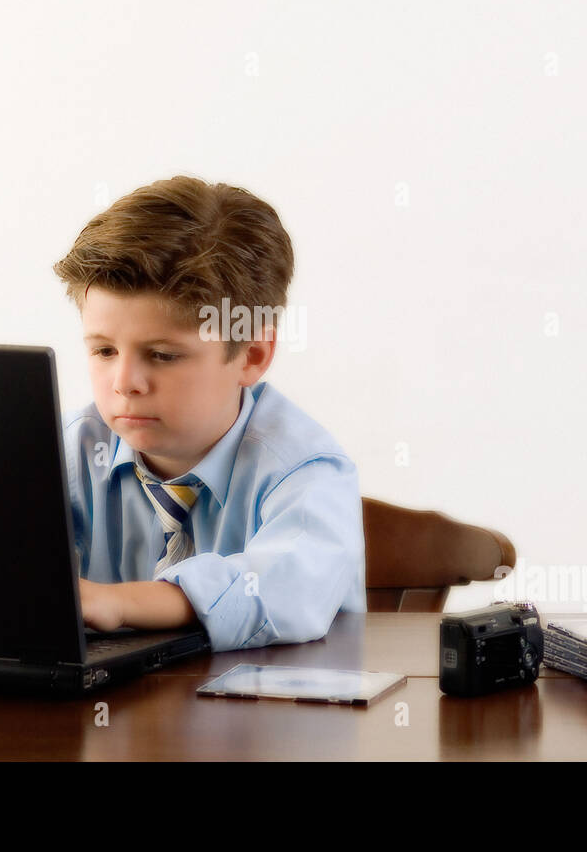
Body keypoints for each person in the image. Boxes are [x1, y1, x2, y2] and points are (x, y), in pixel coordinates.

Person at [51, 174, 366, 652]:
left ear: (252, 356)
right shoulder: (72, 451)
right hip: (114, 720)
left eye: (162, 355)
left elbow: (284, 589)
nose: (124, 382)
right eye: (104, 351)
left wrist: (116, 603)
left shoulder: (306, 471)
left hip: (277, 720)